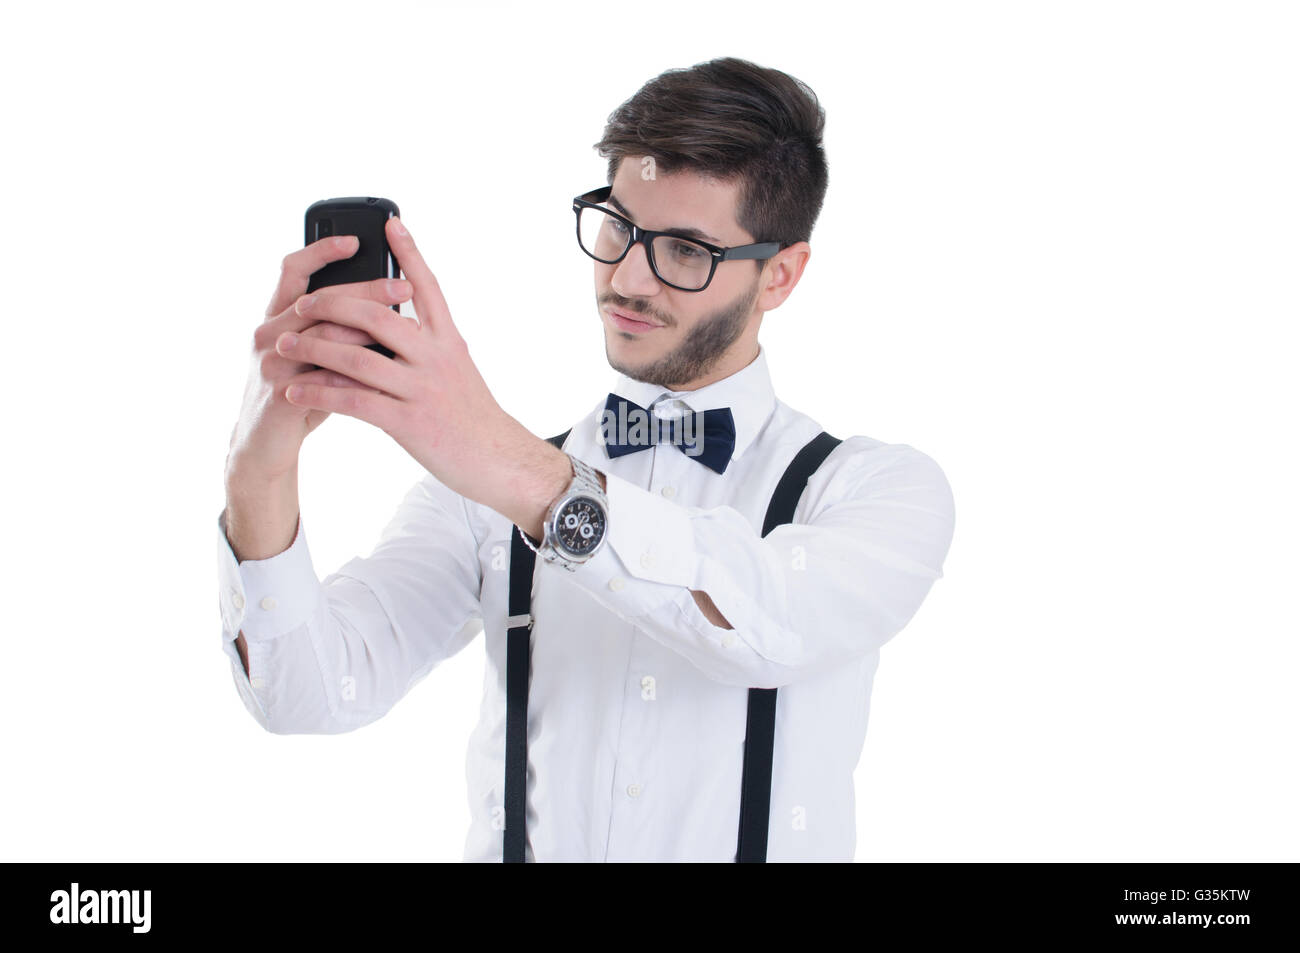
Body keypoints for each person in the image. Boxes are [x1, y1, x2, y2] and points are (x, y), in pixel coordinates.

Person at [217, 56, 955, 862]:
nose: (628, 277)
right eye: (619, 226)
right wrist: (259, 465)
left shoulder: (877, 492)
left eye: (685, 250)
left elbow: (768, 622)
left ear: (780, 275)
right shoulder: (478, 491)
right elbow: (311, 691)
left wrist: (510, 464)